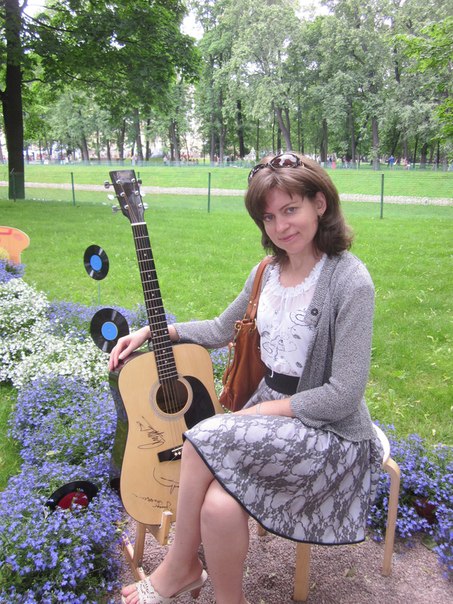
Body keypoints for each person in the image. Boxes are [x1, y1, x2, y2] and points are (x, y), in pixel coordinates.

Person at [109, 152, 383, 604]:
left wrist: (258, 412)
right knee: (218, 504)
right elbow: (221, 329)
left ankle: (179, 565)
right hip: (269, 417)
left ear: (319, 203)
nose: (280, 226)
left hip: (328, 433)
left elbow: (344, 395)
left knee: (202, 435)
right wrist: (154, 332)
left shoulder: (350, 282)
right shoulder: (266, 273)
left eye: (290, 209)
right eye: (269, 217)